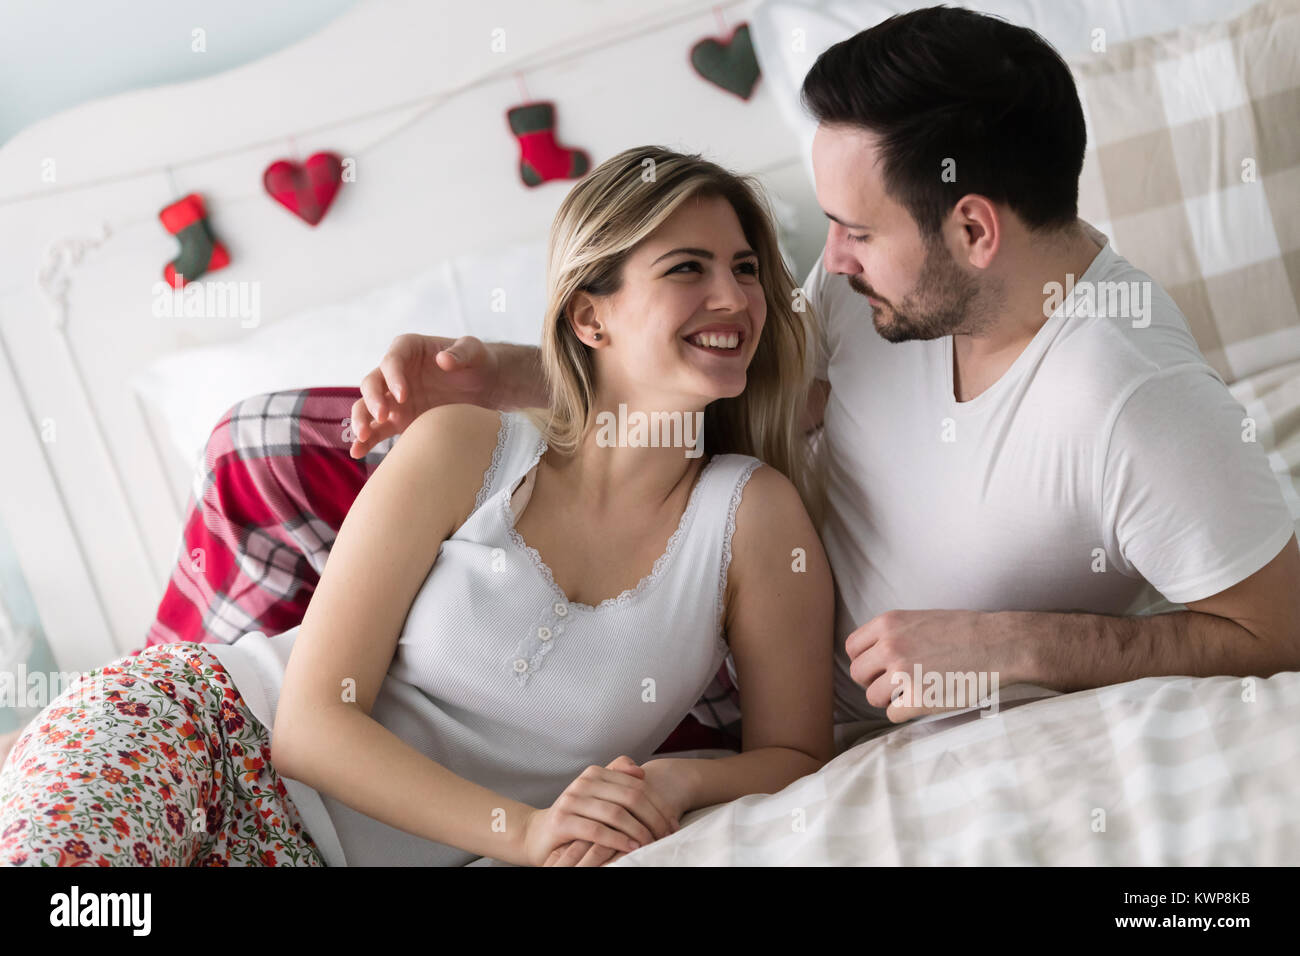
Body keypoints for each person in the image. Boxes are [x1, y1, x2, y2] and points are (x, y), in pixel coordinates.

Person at [347, 6, 1299, 729]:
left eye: (855, 230)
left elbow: (1278, 631)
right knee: (272, 444)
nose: (828, 258)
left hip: (725, 680)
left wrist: (1019, 643)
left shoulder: (1132, 402)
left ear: (973, 229)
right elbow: (747, 380)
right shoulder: (880, 290)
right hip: (663, 551)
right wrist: (495, 374)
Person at [0, 146, 835, 867]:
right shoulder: (465, 447)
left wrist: (677, 777)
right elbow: (311, 727)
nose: (735, 296)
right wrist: (531, 833)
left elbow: (795, 754)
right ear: (590, 316)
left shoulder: (753, 519)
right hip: (203, 740)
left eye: (748, 268)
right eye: (689, 267)